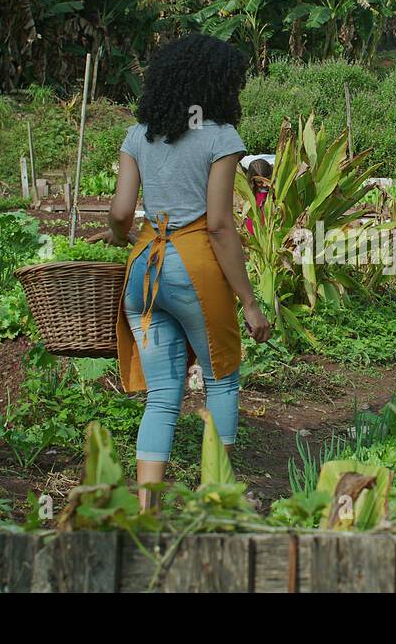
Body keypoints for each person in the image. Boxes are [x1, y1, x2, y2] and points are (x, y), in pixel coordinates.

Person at [104, 33, 271, 508]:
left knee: (162, 395)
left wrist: (117, 237)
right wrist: (251, 302)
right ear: (218, 84)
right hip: (194, 266)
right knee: (221, 378)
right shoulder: (220, 138)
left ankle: (147, 508)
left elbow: (120, 213)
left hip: (145, 270)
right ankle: (217, 496)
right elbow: (219, 225)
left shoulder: (138, 135)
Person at [242, 157, 272, 235]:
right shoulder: (252, 195)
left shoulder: (274, 192)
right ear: (253, 181)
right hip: (257, 234)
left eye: (267, 179)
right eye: (260, 182)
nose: (265, 184)